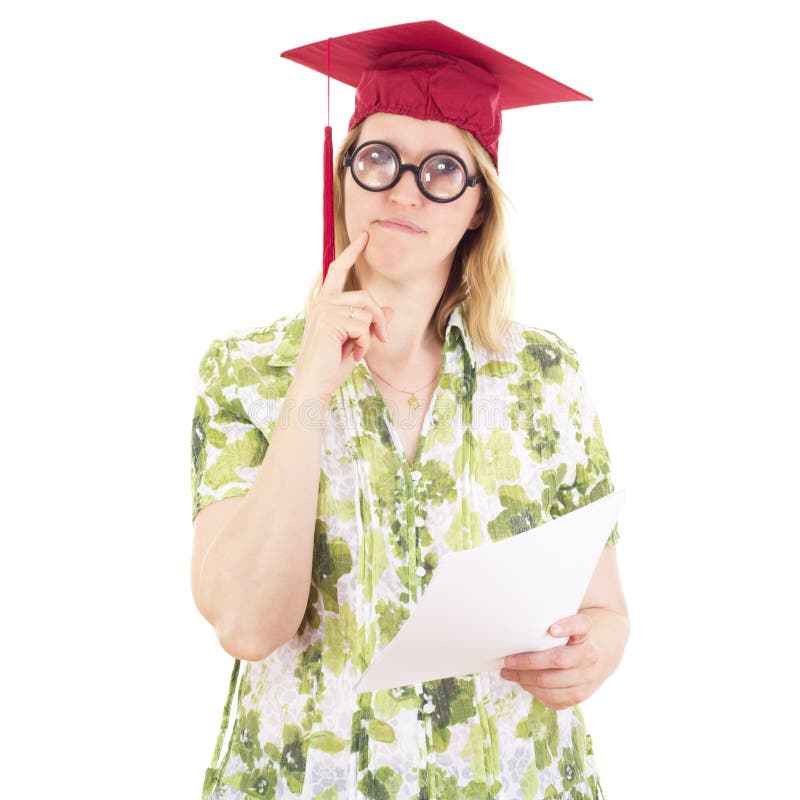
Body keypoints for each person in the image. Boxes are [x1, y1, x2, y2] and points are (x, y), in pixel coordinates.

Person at [190, 21, 629, 800]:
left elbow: (603, 610)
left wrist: (592, 653)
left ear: (477, 210)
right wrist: (310, 390)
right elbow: (249, 627)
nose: (403, 189)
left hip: (511, 778)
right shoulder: (247, 371)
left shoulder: (545, 376)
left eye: (443, 171)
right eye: (379, 158)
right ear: (343, 176)